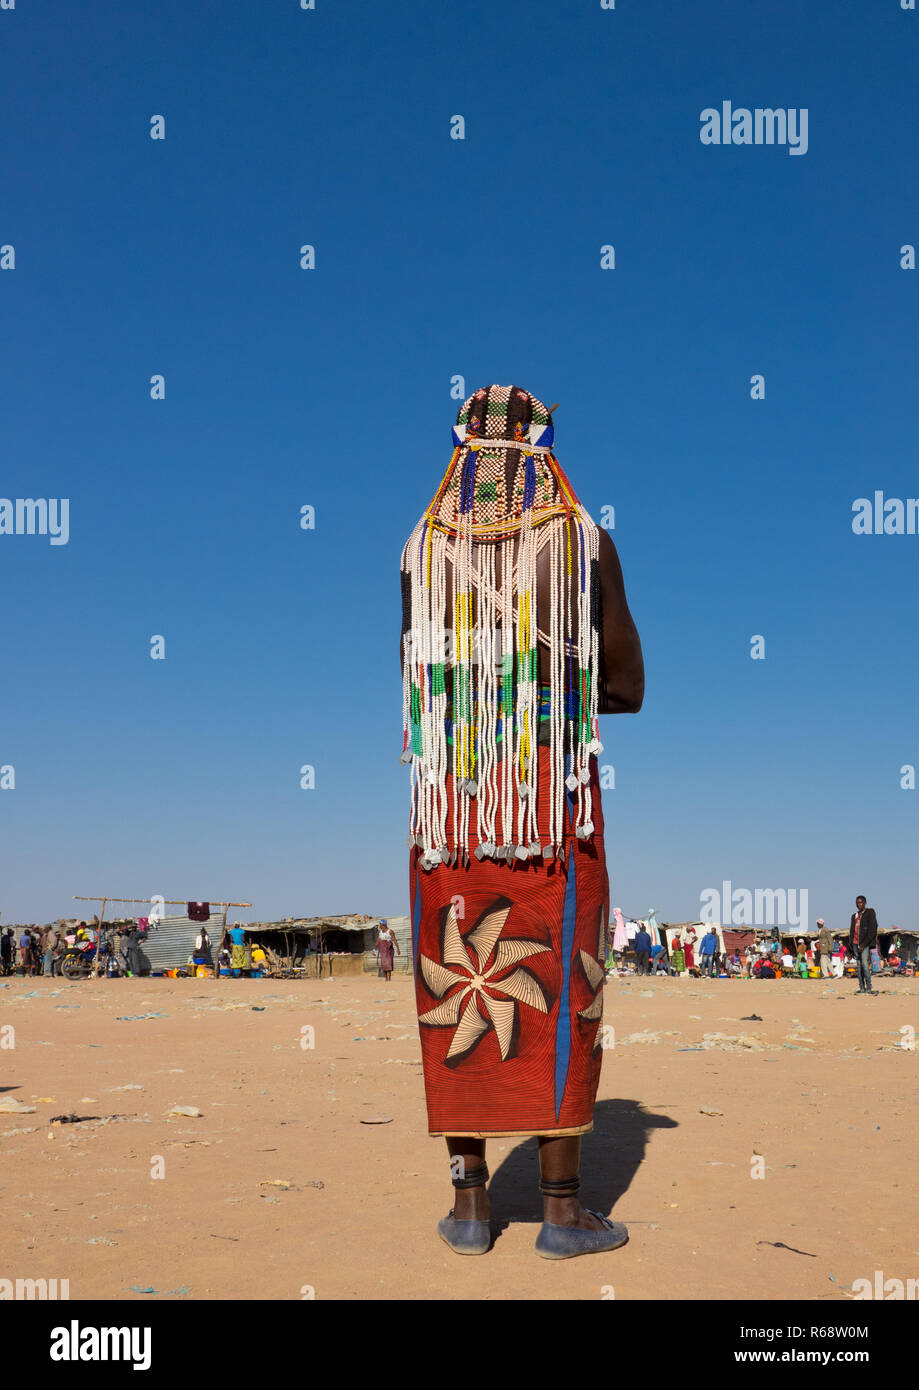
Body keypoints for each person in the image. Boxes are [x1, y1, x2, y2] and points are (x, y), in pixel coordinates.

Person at [400, 385, 644, 1259]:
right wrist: (544, 699)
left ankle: (470, 1211)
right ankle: (562, 1213)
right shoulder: (582, 543)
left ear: (459, 451)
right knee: (558, 980)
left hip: (451, 805)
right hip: (549, 799)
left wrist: (484, 701)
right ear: (543, 450)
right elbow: (628, 690)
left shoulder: (421, 552)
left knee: (453, 981)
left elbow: (420, 679)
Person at [848, 895, 879, 996]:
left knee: (865, 965)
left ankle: (869, 988)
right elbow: (852, 931)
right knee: (859, 966)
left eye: (861, 902)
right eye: (857, 903)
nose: (859, 904)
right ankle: (861, 988)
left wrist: (864, 944)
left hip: (864, 944)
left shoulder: (870, 913)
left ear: (865, 902)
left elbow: (872, 930)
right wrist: (850, 947)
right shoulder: (854, 916)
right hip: (855, 944)